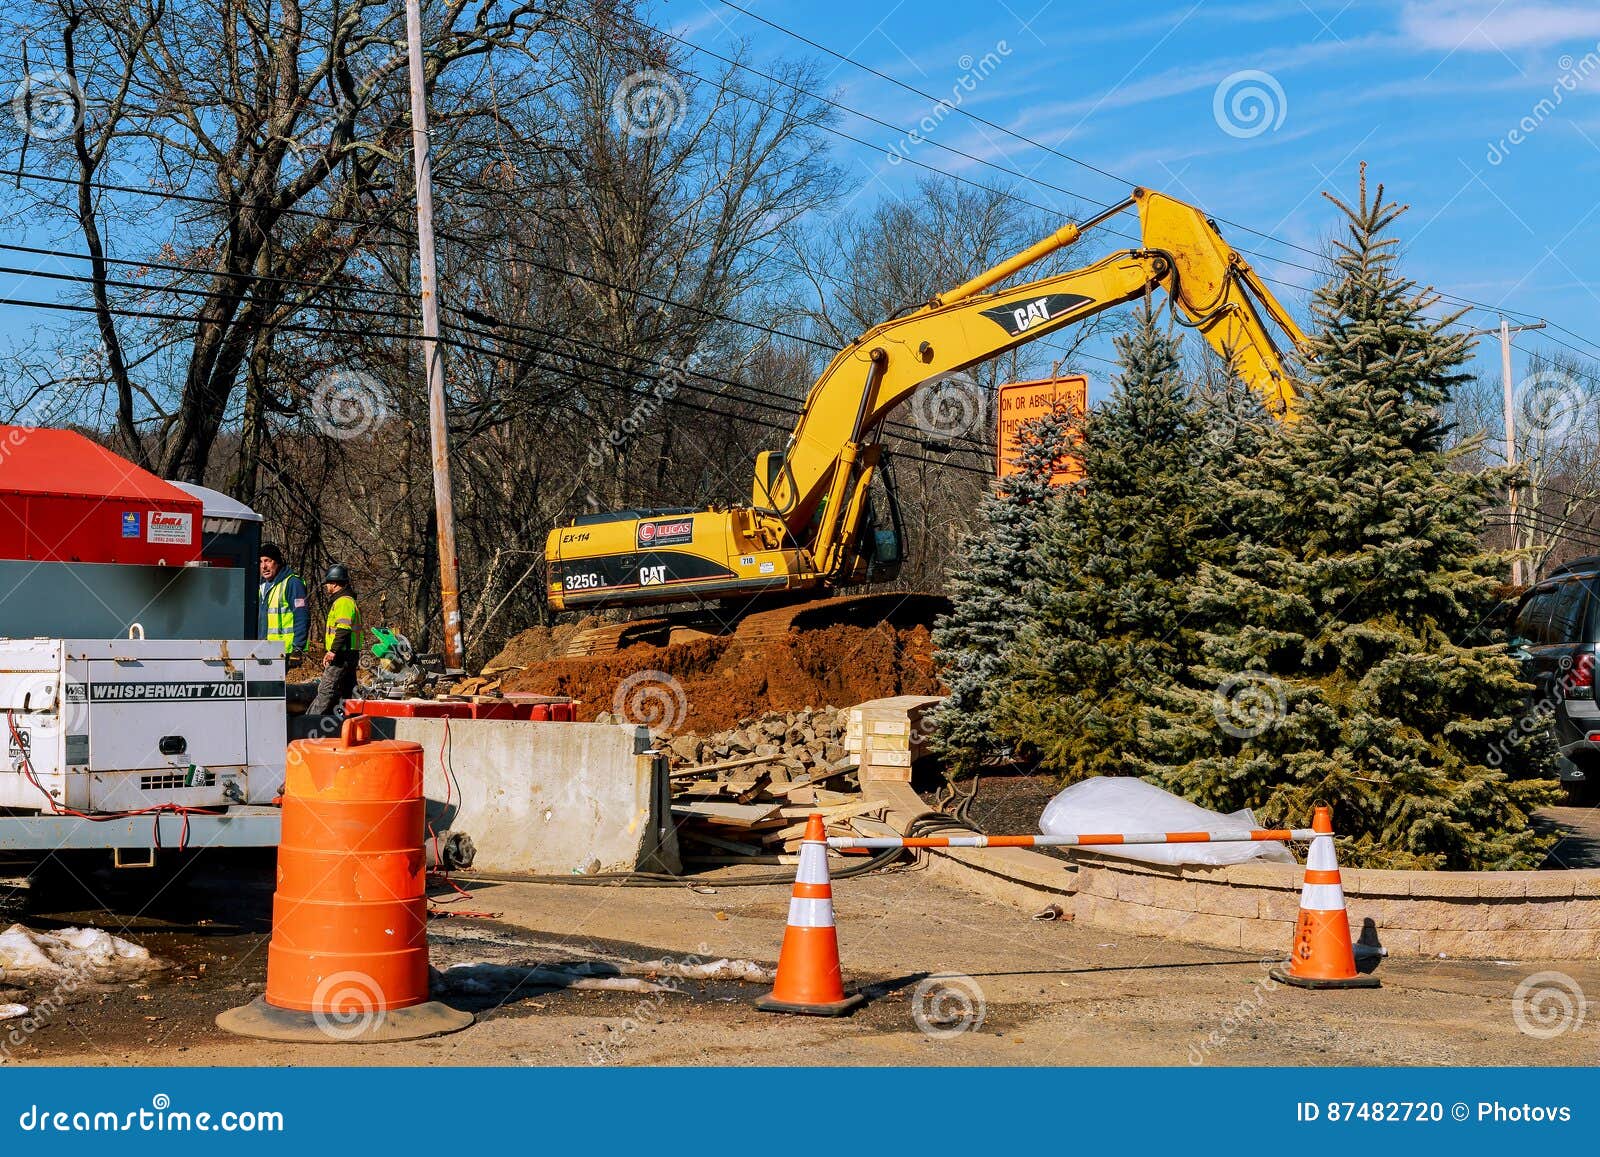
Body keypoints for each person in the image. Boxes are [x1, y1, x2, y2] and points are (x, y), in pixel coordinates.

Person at [307, 564, 365, 715]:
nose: (326, 586)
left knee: (326, 690)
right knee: (349, 691)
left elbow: (343, 629)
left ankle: (309, 722)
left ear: (334, 583)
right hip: (348, 653)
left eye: (328, 583)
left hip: (341, 654)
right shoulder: (346, 600)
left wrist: (333, 651)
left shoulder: (343, 602)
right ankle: (354, 720)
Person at [258, 543, 309, 661]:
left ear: (278, 562)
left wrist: (298, 648)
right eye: (261, 562)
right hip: (262, 648)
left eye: (268, 561)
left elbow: (301, 616)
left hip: (284, 650)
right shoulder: (261, 586)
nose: (264, 566)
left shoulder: (292, 583)